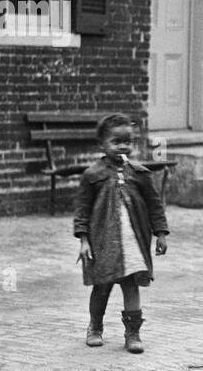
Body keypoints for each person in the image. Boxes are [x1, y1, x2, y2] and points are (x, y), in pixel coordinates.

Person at [73, 113, 170, 353]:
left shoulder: (139, 174)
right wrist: (84, 240)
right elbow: (82, 211)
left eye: (127, 141)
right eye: (116, 142)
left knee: (131, 286)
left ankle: (133, 333)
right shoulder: (93, 175)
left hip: (133, 242)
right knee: (102, 286)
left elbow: (154, 205)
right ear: (102, 145)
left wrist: (160, 233)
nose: (123, 146)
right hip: (103, 243)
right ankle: (95, 326)